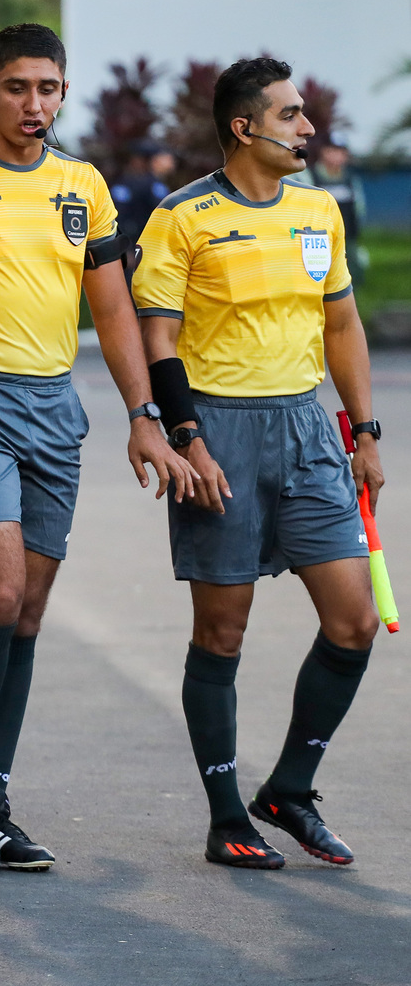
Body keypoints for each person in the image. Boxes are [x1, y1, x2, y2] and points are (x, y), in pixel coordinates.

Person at [0, 23, 195, 872]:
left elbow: (114, 309)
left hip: (54, 407)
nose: (35, 103)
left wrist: (143, 413)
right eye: (17, 87)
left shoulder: (83, 185)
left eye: (48, 88)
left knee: (28, 608)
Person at [133, 58, 382, 869]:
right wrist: (187, 439)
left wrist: (365, 431)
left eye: (305, 112)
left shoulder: (319, 212)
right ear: (245, 127)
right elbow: (157, 339)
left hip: (308, 431)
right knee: (223, 633)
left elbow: (341, 326)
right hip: (220, 434)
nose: (308, 127)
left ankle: (291, 789)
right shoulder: (182, 217)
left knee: (352, 622)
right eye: (290, 114)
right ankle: (226, 812)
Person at [309, 133, 367, 281]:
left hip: (348, 235)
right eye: (331, 150)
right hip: (319, 238)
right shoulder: (310, 176)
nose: (336, 156)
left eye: (341, 151)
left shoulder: (351, 178)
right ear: (322, 152)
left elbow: (358, 207)